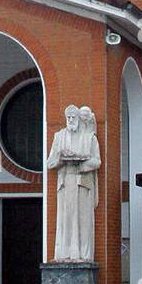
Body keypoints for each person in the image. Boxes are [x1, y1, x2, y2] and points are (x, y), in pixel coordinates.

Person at [47, 104, 101, 261]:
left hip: (82, 183)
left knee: (83, 220)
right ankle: (64, 254)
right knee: (65, 220)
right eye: (68, 117)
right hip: (65, 184)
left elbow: (97, 161)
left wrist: (81, 164)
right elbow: (50, 163)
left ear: (78, 118)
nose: (71, 120)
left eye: (73, 117)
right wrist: (61, 159)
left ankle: (83, 255)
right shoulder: (59, 136)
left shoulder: (89, 138)